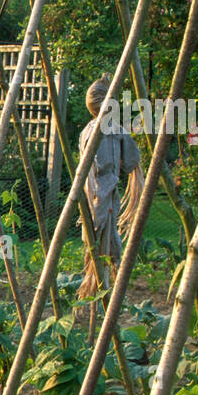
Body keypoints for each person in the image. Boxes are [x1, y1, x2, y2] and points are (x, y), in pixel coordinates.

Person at [79, 76, 142, 299]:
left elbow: (128, 158)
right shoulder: (108, 130)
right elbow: (131, 161)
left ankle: (102, 282)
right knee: (104, 239)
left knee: (103, 238)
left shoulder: (89, 130)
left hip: (96, 193)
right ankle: (101, 283)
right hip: (101, 192)